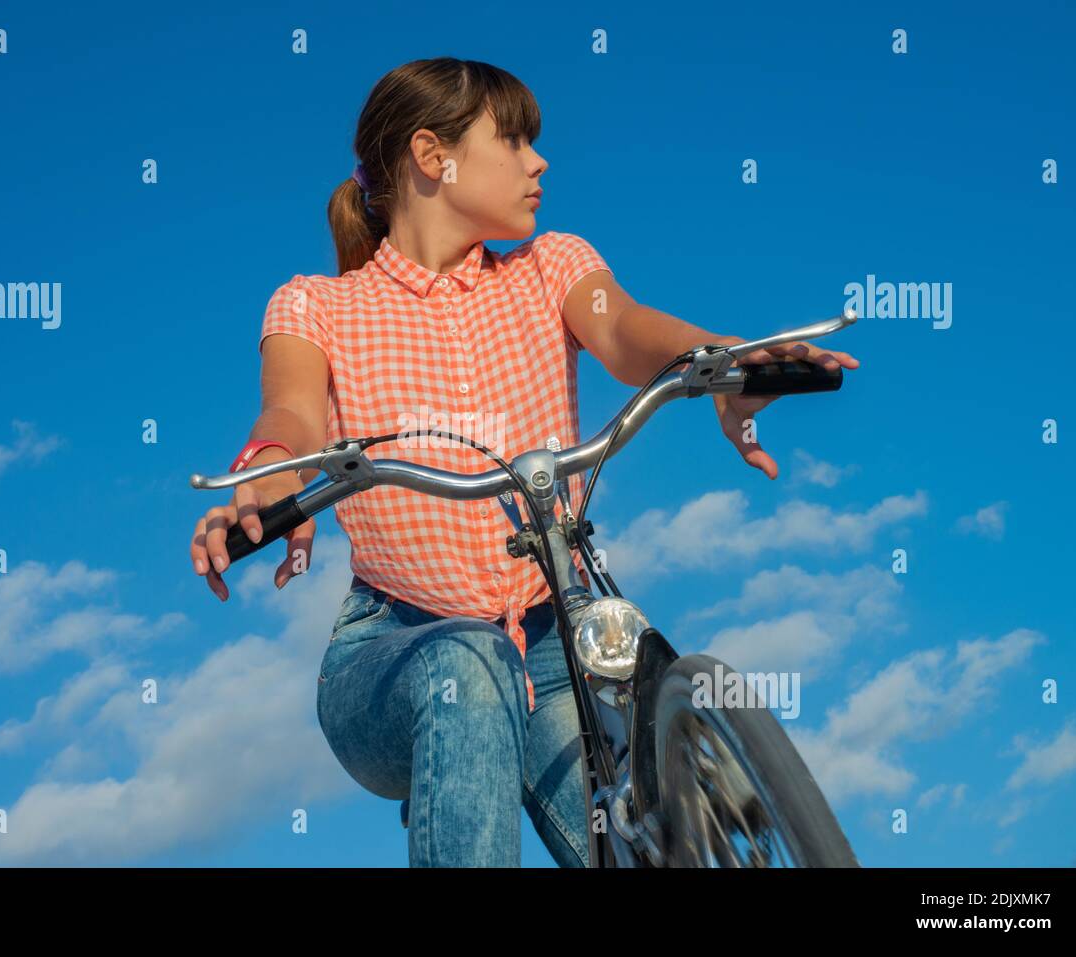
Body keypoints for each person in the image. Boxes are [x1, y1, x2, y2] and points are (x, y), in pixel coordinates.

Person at [189, 57, 858, 867]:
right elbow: (292, 411)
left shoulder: (552, 267)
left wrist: (722, 362)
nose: (538, 161)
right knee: (466, 666)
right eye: (513, 140)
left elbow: (623, 329)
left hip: (552, 633)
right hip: (392, 648)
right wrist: (269, 470)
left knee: (653, 835)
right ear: (434, 156)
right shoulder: (317, 304)